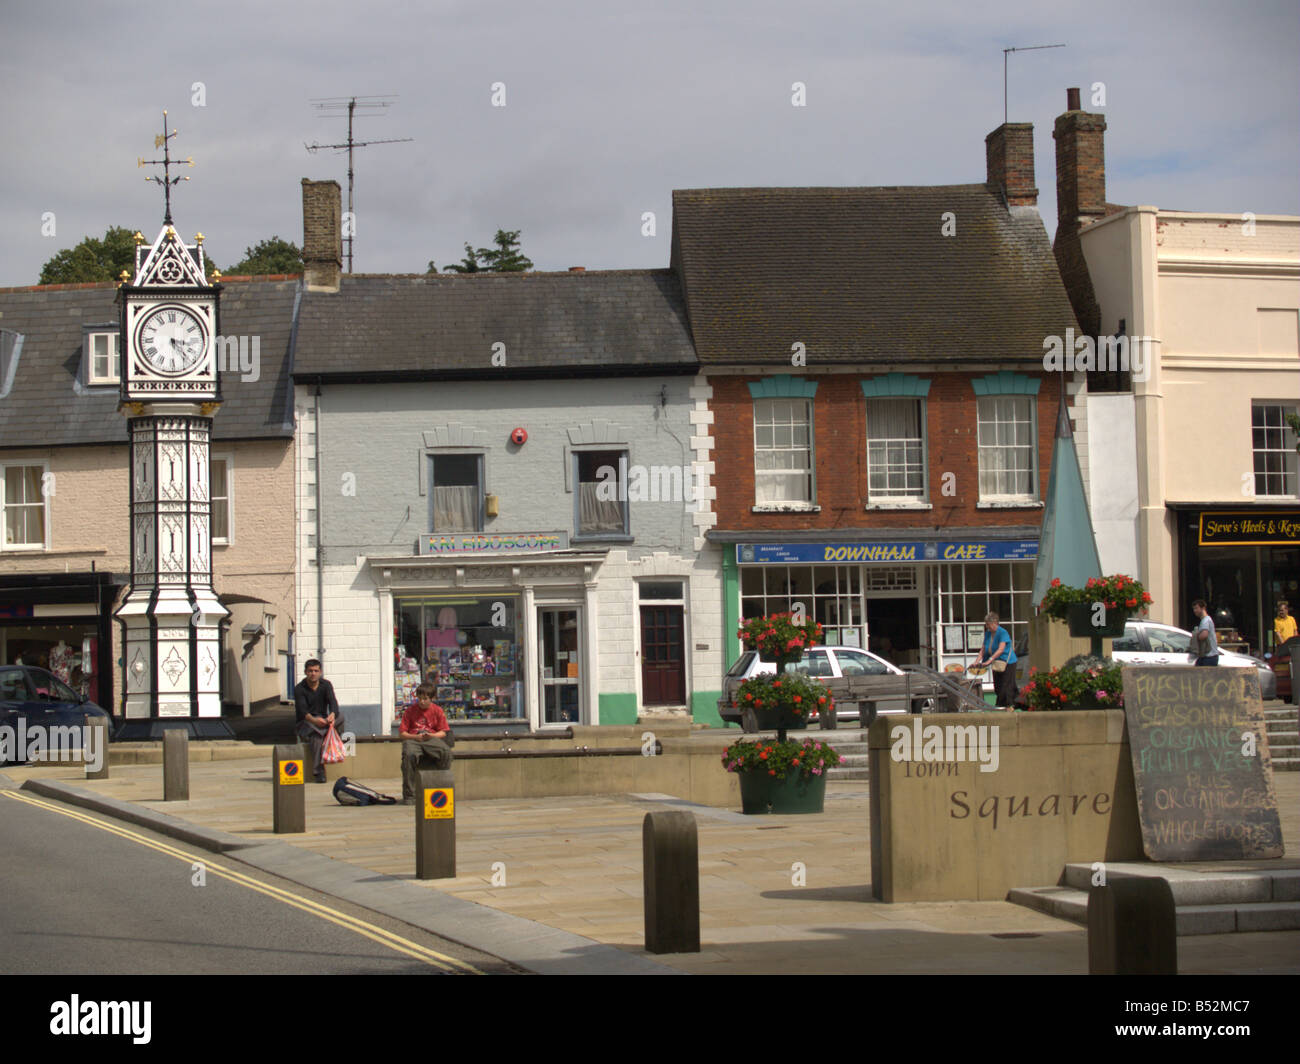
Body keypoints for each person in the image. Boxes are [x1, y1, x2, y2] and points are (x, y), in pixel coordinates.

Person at [399, 683, 453, 805]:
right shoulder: (410, 711)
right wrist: (415, 737)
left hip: (431, 738)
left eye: (425, 699)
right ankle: (410, 795)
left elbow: (443, 732)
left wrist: (431, 736)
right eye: (420, 699)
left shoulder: (437, 710)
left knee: (446, 753)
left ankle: (440, 787)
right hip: (414, 738)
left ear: (432, 699)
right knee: (408, 756)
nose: (422, 702)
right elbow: (402, 734)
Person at [294, 659, 344, 783]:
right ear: (305, 672)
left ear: (320, 672)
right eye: (310, 671)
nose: (313, 673)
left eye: (316, 671)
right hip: (307, 722)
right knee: (316, 736)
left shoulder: (326, 685)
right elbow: (303, 712)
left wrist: (332, 716)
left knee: (341, 717)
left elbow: (333, 703)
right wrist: (316, 721)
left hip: (324, 721)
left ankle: (329, 732)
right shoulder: (299, 688)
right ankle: (319, 772)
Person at [972, 611, 1018, 708]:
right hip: (997, 662)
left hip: (1007, 662)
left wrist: (989, 660)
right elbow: (983, 649)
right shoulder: (988, 634)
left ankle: (1008, 705)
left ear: (995, 623)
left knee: (1006, 685)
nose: (987, 626)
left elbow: (1001, 649)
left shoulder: (1003, 632)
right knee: (997, 685)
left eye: (988, 624)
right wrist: (977, 661)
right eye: (986, 624)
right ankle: (1002, 704)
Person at [1190, 600, 1219, 666]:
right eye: (1194, 609)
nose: (1195, 611)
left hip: (1209, 656)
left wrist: (1195, 636)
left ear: (1203, 608)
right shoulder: (1205, 620)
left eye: (1196, 608)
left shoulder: (1205, 620)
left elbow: (1204, 635)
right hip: (1205, 656)